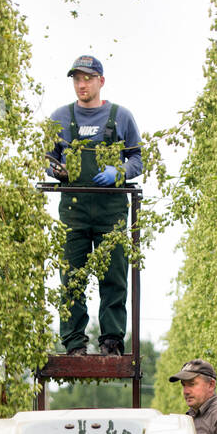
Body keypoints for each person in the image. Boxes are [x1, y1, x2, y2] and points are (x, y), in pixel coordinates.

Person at [46, 55, 142, 356]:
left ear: (101, 81)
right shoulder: (59, 118)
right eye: (76, 79)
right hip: (73, 210)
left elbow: (138, 159)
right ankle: (74, 343)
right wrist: (56, 170)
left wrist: (121, 173)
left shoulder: (120, 116)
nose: (81, 84)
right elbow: (48, 159)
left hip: (110, 210)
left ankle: (111, 341)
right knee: (71, 276)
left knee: (113, 275)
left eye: (87, 78)